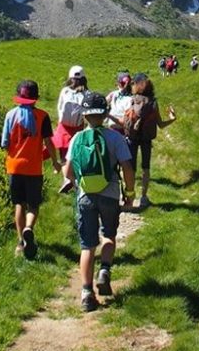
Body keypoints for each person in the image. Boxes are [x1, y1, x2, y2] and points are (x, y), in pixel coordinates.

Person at [64, 91, 136, 312]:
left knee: (87, 246)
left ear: (84, 116)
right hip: (110, 194)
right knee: (109, 235)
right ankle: (104, 270)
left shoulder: (76, 139)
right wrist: (130, 193)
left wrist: (78, 180)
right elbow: (127, 168)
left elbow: (67, 172)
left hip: (85, 195)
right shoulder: (115, 138)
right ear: (105, 114)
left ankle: (86, 293)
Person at [0, 79, 62, 259]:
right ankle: (29, 228)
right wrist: (56, 162)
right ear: (37, 98)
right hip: (34, 168)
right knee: (33, 205)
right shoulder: (42, 116)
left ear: (18, 97)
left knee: (19, 203)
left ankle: (20, 242)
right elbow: (49, 142)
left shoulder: (10, 115)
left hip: (14, 165)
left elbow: (5, 143)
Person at [123, 73, 177, 209]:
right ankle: (144, 197)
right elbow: (160, 124)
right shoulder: (153, 102)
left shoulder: (132, 100)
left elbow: (126, 119)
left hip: (132, 137)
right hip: (146, 138)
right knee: (145, 168)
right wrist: (172, 118)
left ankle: (129, 195)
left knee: (131, 167)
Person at [53, 65, 87, 191]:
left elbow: (59, 107)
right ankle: (75, 179)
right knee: (76, 155)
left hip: (64, 126)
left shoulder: (65, 91)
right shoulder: (86, 93)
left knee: (63, 155)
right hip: (77, 127)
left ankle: (67, 179)